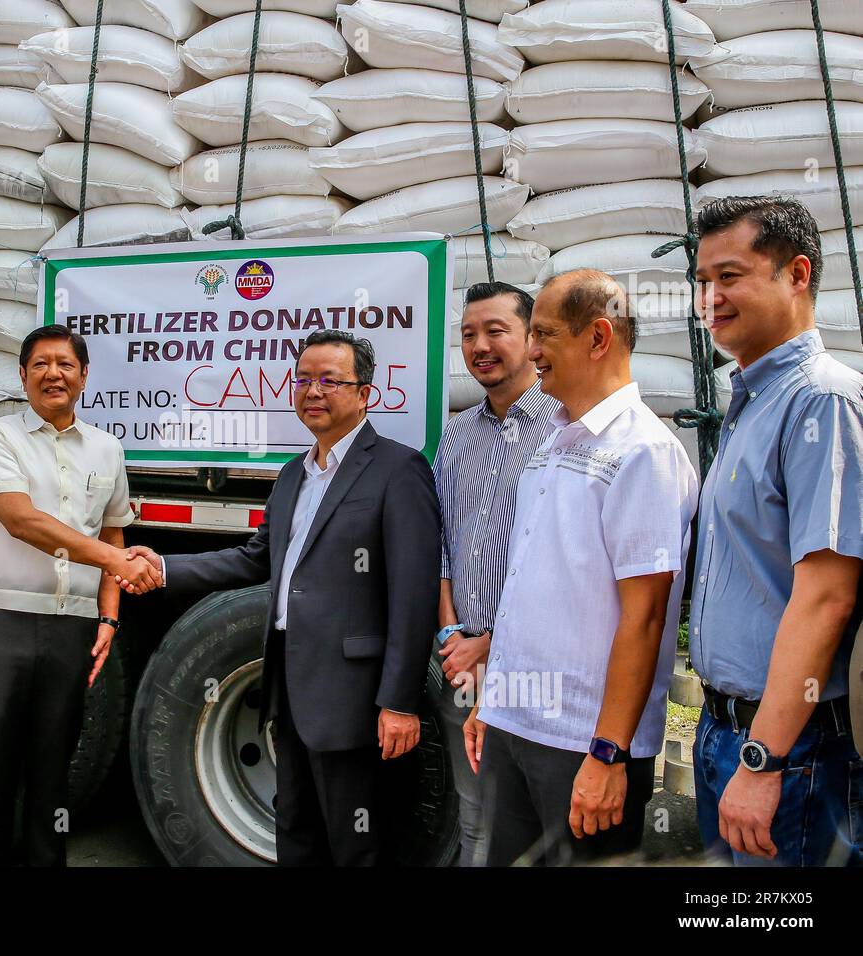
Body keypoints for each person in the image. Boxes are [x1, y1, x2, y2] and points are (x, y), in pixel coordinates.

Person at [124, 329, 440, 867]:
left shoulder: (397, 468)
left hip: (355, 697)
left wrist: (400, 702)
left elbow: (413, 596)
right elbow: (255, 558)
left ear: (365, 393)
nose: (313, 391)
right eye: (304, 380)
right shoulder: (294, 472)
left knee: (357, 840)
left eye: (330, 381)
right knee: (295, 829)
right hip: (289, 687)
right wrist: (165, 567)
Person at [464, 270, 698, 866]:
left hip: (581, 745)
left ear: (597, 338)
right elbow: (532, 593)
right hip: (517, 728)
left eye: (543, 335)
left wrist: (610, 753)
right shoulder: (557, 440)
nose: (532, 352)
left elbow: (644, 618)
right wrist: (496, 705)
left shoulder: (642, 452)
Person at [688, 196, 862, 866]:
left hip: (788, 751)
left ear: (796, 273)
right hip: (723, 731)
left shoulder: (820, 400)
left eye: (729, 277)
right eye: (702, 282)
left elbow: (827, 596)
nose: (711, 298)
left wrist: (762, 761)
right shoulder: (751, 402)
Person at [0, 324, 157, 866]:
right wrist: (114, 562)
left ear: (84, 376)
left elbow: (114, 527)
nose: (54, 374)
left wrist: (109, 618)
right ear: (22, 375)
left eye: (65, 365)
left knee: (55, 768)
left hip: (72, 627)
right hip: (2, 620)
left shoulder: (106, 447)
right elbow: (22, 520)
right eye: (42, 364)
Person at [432, 282, 560, 866]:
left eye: (495, 331)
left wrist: (493, 646)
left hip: (532, 666)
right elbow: (441, 546)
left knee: (534, 823)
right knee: (473, 813)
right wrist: (451, 637)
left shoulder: (563, 428)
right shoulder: (456, 434)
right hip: (459, 660)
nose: (479, 346)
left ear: (531, 339)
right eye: (467, 335)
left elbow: (560, 562)